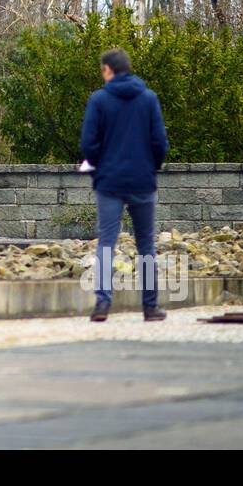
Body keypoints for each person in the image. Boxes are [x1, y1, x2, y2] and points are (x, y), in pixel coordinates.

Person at [79, 48, 169, 322]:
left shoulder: (99, 100)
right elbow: (160, 143)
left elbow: (88, 143)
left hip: (109, 182)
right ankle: (150, 306)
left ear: (107, 69)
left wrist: (98, 164)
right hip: (143, 181)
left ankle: (103, 304)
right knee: (146, 244)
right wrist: (150, 167)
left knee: (106, 242)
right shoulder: (149, 98)